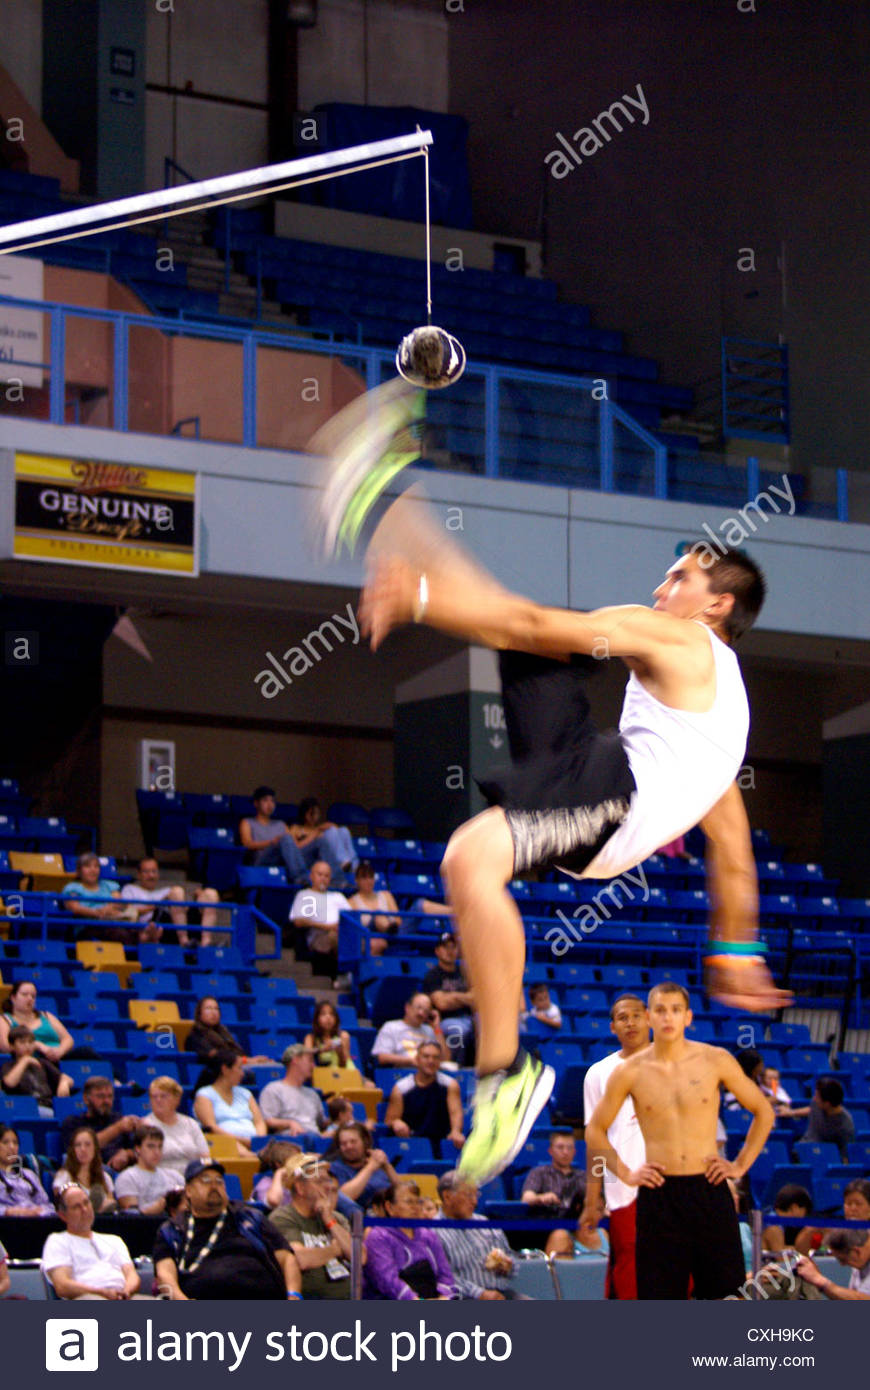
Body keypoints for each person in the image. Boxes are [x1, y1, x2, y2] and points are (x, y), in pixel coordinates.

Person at [359, 499, 791, 1183]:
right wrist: (736, 950)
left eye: (679, 579)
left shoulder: (680, 639)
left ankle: (507, 1074)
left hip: (611, 800)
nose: (660, 590)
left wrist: (418, 600)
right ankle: (410, 526)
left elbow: (550, 625)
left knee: (470, 854)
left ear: (717, 605)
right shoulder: (720, 721)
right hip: (595, 772)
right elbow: (734, 856)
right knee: (524, 633)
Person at [585, 980, 774, 1299]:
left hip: (709, 1189)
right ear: (649, 1016)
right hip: (659, 1194)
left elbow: (763, 1111)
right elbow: (593, 1130)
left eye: (675, 1010)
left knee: (724, 1294)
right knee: (659, 1297)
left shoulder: (715, 1059)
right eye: (660, 1010)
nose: (668, 1017)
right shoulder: (630, 1071)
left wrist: (739, 1166)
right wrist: (628, 1174)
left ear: (688, 1017)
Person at [579, 992, 650, 1297]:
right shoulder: (598, 1074)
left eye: (636, 1015)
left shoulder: (678, 1065)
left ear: (648, 1018)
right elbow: (595, 1141)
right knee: (631, 1274)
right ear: (612, 1027)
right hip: (625, 1191)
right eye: (622, 1018)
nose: (630, 1023)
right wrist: (592, 1200)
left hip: (676, 1186)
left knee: (677, 1274)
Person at [153, 1158, 302, 1300]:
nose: (214, 1185)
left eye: (219, 1180)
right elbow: (164, 1274)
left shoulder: (250, 1217)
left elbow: (287, 1258)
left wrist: (294, 1295)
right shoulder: (173, 1229)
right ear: (189, 1191)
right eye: (205, 1180)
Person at [43, 1183, 155, 1299]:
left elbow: (132, 1275)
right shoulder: (57, 1241)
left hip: (122, 1296)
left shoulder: (114, 1240)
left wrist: (126, 1291)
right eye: (77, 1207)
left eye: (86, 1203)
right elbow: (63, 1286)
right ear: (63, 1215)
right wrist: (102, 1293)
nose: (84, 1209)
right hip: (86, 1299)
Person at [268, 1152, 353, 1299]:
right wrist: (336, 1249)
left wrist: (329, 1220)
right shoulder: (282, 1218)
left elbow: (360, 1256)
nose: (327, 1187)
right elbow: (299, 1259)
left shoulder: (336, 1218)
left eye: (328, 1181)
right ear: (300, 1188)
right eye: (320, 1181)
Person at [364, 1179, 456, 1300]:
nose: (415, 1207)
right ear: (389, 1207)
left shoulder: (428, 1235)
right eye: (409, 1202)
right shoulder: (378, 1236)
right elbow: (386, 1279)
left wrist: (444, 1297)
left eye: (418, 1202)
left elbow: (446, 1274)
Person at [435, 1170, 521, 1299]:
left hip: (502, 1294)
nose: (475, 1202)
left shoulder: (484, 1222)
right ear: (447, 1197)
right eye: (468, 1195)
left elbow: (511, 1258)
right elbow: (444, 1277)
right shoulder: (433, 1231)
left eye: (476, 1195)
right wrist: (480, 1293)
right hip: (465, 1298)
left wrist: (508, 1265)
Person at [119, 855, 219, 947]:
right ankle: (183, 941)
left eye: (154, 872)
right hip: (153, 926)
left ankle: (206, 942)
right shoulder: (130, 889)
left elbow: (183, 907)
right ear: (139, 874)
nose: (151, 876)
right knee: (176, 892)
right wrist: (156, 906)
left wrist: (199, 895)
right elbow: (128, 911)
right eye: (146, 872)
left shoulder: (166, 891)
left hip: (175, 924)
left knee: (211, 893)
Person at [384, 1041, 465, 1153]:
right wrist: (396, 1123)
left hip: (441, 1142)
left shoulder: (450, 1085)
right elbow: (389, 1120)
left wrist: (456, 1131)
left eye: (435, 1057)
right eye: (426, 1057)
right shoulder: (401, 1088)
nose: (431, 1061)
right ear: (417, 1059)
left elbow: (455, 1112)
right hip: (413, 1144)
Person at [59, 1076, 138, 1173]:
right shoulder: (73, 1122)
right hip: (89, 1171)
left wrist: (127, 1154)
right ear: (86, 1099)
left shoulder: (118, 1119)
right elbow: (82, 1150)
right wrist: (117, 1128)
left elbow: (138, 1151)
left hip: (122, 1171)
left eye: (110, 1096)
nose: (106, 1101)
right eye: (100, 1096)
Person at [194, 1050, 267, 1150]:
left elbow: (259, 1122)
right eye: (239, 1068)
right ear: (225, 1069)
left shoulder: (245, 1093)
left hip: (253, 1144)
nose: (242, 1073)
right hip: (224, 1144)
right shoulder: (204, 1094)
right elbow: (211, 1127)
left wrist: (258, 1140)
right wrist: (245, 1142)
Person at [288, 860, 351, 976]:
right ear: (311, 876)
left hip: (342, 933)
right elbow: (299, 921)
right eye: (320, 874)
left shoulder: (338, 896)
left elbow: (352, 918)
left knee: (372, 943)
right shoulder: (305, 895)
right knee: (335, 936)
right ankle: (345, 974)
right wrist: (327, 926)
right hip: (318, 937)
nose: (323, 878)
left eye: (326, 875)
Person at [421, 931, 475, 1064]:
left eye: (453, 947)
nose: (450, 951)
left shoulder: (465, 973)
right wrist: (465, 998)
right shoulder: (433, 975)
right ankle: (455, 1067)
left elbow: (477, 998)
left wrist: (452, 997)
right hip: (445, 1020)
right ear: (437, 951)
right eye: (445, 947)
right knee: (459, 1030)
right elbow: (441, 1004)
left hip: (470, 1017)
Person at [0, 979, 82, 1063]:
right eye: (24, 995)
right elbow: (5, 1046)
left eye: (33, 996)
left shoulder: (46, 1016)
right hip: (33, 1059)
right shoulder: (5, 1019)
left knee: (86, 1052)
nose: (30, 999)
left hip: (58, 1056)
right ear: (13, 998)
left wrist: (59, 1051)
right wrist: (36, 1045)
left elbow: (68, 1039)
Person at [185, 995, 274, 1073]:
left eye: (216, 1009)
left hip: (236, 1070)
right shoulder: (195, 1036)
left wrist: (256, 1061)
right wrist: (248, 1061)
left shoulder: (223, 1033)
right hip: (216, 1075)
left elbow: (237, 1053)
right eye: (208, 1008)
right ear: (199, 1013)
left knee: (271, 1067)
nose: (213, 1012)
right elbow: (219, 1057)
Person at [144, 1075, 210, 1178]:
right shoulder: (146, 1125)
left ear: (177, 1099)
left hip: (192, 1178)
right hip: (160, 1179)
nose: (158, 1100)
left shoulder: (190, 1124)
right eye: (154, 1097)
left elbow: (205, 1156)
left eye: (163, 1096)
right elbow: (146, 1162)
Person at [61, 851, 135, 941]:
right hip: (88, 926)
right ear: (79, 870)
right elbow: (75, 908)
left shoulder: (109, 885)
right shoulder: (72, 887)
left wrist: (107, 909)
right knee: (121, 934)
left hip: (114, 920)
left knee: (137, 931)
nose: (93, 870)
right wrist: (97, 913)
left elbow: (119, 902)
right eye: (88, 866)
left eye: (96, 866)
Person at [329, 1122, 400, 1209]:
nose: (349, 1146)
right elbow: (343, 1198)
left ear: (365, 1142)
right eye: (343, 1144)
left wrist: (387, 1166)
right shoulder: (335, 1168)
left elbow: (401, 1194)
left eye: (353, 1142)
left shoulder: (378, 1164)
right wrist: (370, 1168)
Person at [0, 1024, 73, 1110]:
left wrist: (64, 1083)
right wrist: (25, 1061)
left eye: (30, 1042)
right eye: (22, 1042)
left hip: (48, 1105)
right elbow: (9, 1084)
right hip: (24, 1108)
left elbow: (67, 1079)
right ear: (12, 1046)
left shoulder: (42, 1063)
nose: (27, 1046)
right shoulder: (8, 1066)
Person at [259, 1044, 326, 1135]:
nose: (313, 1065)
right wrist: (290, 1123)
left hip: (314, 1137)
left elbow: (321, 1124)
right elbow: (268, 1120)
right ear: (296, 1060)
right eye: (310, 1060)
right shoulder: (274, 1089)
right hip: (290, 1139)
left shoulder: (312, 1094)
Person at [114, 1127, 184, 1215]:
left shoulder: (175, 1176)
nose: (157, 1152)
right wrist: (158, 1207)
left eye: (160, 1146)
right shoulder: (127, 1177)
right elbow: (131, 1219)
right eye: (151, 1146)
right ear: (138, 1148)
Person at [371, 993, 447, 1068]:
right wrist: (411, 1061)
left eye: (426, 1011)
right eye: (418, 1008)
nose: (421, 1013)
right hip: (400, 1073)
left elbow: (445, 1059)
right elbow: (382, 1057)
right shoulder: (391, 1027)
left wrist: (437, 1027)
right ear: (407, 1007)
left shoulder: (429, 1030)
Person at [521, 1132, 586, 1220]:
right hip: (548, 1222)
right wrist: (541, 1198)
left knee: (601, 1232)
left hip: (579, 1223)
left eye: (569, 1148)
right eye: (560, 1147)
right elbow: (527, 1198)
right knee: (561, 1234)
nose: (565, 1152)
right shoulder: (539, 1173)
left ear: (574, 1152)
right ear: (550, 1151)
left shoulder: (583, 1176)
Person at [53, 1126, 117, 1213]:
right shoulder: (64, 1176)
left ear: (95, 1148)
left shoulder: (105, 1177)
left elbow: (111, 1203)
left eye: (87, 1144)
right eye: (78, 1145)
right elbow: (60, 1204)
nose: (83, 1149)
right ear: (73, 1150)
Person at [795, 1230, 870, 1300]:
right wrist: (818, 1281)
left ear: (856, 1251)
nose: (842, 1264)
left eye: (843, 1260)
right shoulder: (860, 1262)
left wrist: (820, 1281)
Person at [0, 1124, 54, 1215]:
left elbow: (48, 1206)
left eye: (15, 1143)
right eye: (5, 1142)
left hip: (35, 1222)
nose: (12, 1147)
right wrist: (9, 1211)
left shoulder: (29, 1175)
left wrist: (37, 1212)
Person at [547, 1190, 611, 1260]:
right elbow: (560, 1269)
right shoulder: (560, 1237)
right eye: (598, 1210)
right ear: (579, 1207)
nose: (601, 1215)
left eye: (602, 1210)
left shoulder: (603, 1233)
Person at [801, 1077, 855, 1160]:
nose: (814, 1098)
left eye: (817, 1097)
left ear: (827, 1104)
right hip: (804, 1149)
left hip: (824, 1157)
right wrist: (791, 1112)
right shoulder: (816, 1104)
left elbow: (845, 1154)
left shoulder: (845, 1125)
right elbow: (811, 1110)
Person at [347, 860, 401, 932]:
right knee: (378, 915)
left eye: (371, 877)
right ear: (357, 880)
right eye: (364, 877)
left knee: (420, 904)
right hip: (369, 935)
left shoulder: (386, 895)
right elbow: (354, 928)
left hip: (393, 933)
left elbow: (398, 920)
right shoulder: (351, 902)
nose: (368, 881)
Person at [762, 1182, 813, 1254]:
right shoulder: (773, 1227)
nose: (804, 1216)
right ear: (794, 1207)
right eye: (804, 1211)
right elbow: (783, 1260)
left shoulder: (774, 1220)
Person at [252, 1139, 302, 1209]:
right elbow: (274, 1201)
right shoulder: (265, 1184)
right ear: (278, 1165)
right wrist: (279, 1173)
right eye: (295, 1161)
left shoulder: (296, 1184)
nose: (299, 1165)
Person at [304, 1000, 355, 1069]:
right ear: (317, 1019)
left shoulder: (343, 1035)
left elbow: (345, 1064)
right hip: (324, 1075)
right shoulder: (310, 1038)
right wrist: (322, 1049)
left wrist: (340, 1053)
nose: (328, 1017)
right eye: (323, 1014)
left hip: (346, 1072)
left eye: (332, 1014)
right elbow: (307, 1059)